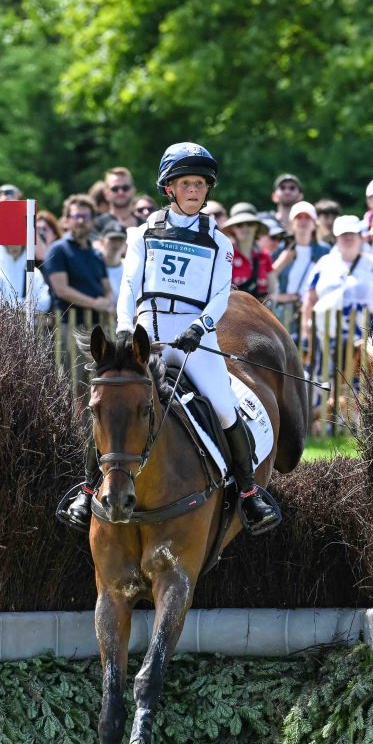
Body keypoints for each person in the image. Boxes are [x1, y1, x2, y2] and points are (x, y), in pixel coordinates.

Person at [57, 141, 282, 535]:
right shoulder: (142, 233)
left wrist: (202, 326)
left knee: (225, 406)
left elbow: (219, 295)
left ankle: (249, 493)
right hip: (144, 333)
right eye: (186, 183)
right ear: (169, 188)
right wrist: (126, 327)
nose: (194, 190)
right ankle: (88, 489)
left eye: (199, 183)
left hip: (194, 336)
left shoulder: (220, 242)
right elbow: (129, 284)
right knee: (112, 401)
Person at [302, 214, 373, 339]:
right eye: (343, 234)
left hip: (365, 337)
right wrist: (306, 331)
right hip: (327, 337)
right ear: (336, 238)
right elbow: (310, 300)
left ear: (360, 237)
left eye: (352, 233)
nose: (348, 237)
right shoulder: (324, 263)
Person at [42, 194, 113, 315]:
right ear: (67, 220)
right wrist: (94, 303)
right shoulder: (58, 249)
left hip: (98, 324)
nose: (81, 221)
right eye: (76, 216)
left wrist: (107, 301)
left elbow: (107, 288)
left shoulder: (97, 254)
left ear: (93, 220)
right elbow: (61, 290)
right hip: (68, 325)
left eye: (85, 216)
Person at [270, 201, 329, 317]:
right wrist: (282, 297)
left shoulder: (325, 251)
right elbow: (267, 283)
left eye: (307, 217)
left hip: (315, 310)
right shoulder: (281, 250)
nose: (303, 221)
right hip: (287, 312)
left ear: (314, 223)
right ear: (292, 223)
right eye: (299, 217)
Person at [222, 203, 273, 298]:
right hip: (233, 310)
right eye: (239, 225)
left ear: (257, 227)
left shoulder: (264, 256)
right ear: (233, 229)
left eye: (249, 223)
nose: (245, 228)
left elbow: (273, 290)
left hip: (261, 310)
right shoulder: (225, 255)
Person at [95, 219, 128, 297]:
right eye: (112, 239)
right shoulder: (93, 266)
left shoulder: (130, 267)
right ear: (102, 241)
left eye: (120, 239)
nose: (116, 243)